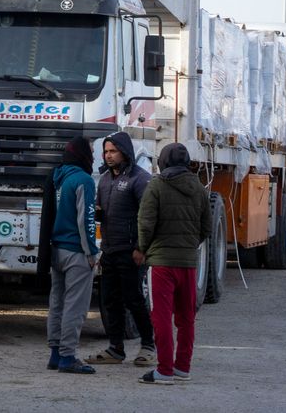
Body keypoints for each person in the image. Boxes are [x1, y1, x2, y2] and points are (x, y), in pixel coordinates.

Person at [134, 143, 212, 386]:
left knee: (161, 316)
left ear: (164, 161)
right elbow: (206, 227)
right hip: (188, 263)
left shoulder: (156, 185)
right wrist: (189, 245)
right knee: (186, 317)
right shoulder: (199, 188)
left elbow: (145, 222)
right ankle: (182, 367)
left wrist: (142, 249)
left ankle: (164, 370)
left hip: (162, 264)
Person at [89, 133, 155, 367]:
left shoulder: (140, 179)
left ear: (124, 152)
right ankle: (115, 348)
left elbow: (147, 217)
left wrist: (141, 248)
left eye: (112, 151)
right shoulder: (105, 179)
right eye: (106, 151)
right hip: (109, 250)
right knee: (109, 300)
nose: (108, 156)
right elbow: (102, 212)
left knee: (134, 299)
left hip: (131, 252)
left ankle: (148, 345)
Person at [39, 136, 101, 374]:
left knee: (57, 303)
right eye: (91, 151)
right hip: (77, 252)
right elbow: (85, 219)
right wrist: (91, 252)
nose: (94, 156)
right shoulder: (83, 180)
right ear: (83, 154)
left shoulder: (58, 177)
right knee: (75, 306)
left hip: (56, 250)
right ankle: (68, 357)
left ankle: (55, 354)